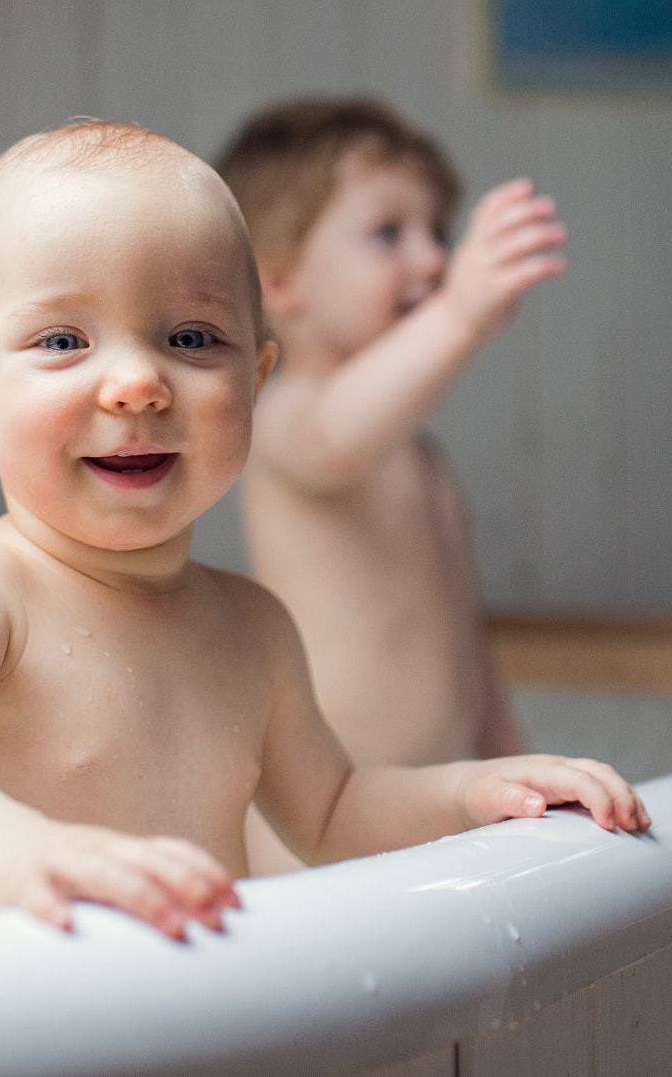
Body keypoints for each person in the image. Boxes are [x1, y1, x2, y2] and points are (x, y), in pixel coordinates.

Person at [0, 120, 645, 939]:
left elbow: (332, 814)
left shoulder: (252, 628)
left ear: (255, 382)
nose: (138, 384)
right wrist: (8, 855)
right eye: (63, 340)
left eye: (191, 338)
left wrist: (472, 793)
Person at [216, 100, 562, 871]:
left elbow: (465, 654)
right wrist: (463, 314)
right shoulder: (284, 416)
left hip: (430, 808)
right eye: (388, 233)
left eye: (436, 231)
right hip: (313, 825)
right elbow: (335, 440)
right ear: (279, 280)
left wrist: (520, 766)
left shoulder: (419, 456)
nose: (434, 261)